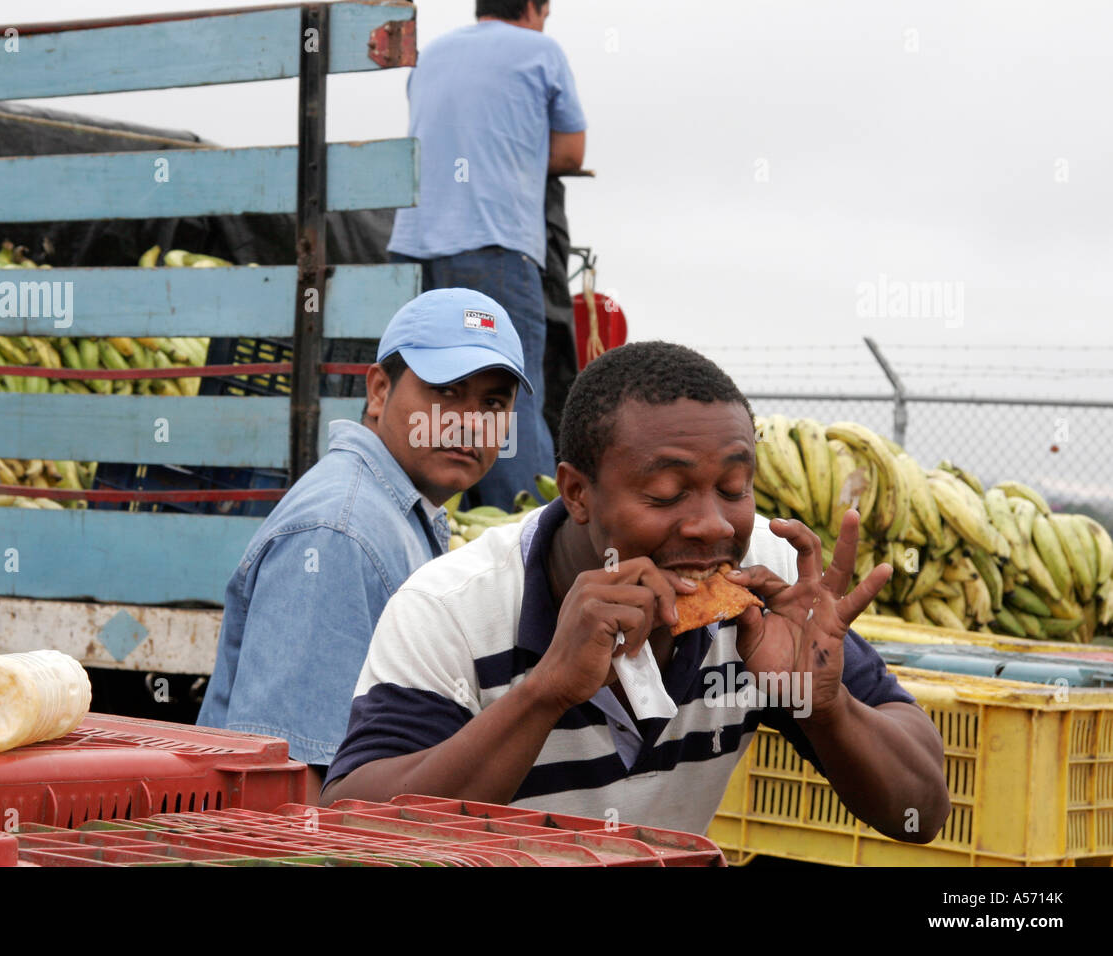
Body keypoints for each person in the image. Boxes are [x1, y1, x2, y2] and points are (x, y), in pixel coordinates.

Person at [321, 342, 951, 841]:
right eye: (667, 494)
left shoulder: (765, 582)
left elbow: (919, 812)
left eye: (733, 489)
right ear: (576, 494)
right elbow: (350, 831)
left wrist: (824, 705)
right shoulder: (456, 606)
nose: (710, 524)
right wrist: (545, 692)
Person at [197, 288, 531, 803]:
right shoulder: (340, 532)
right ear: (379, 391)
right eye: (446, 391)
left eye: (492, 403)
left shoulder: (398, 514)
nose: (468, 421)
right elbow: (293, 784)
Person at [388, 0, 587, 511]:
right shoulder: (541, 49)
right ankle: (527, 532)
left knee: (433, 390)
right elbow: (570, 154)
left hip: (412, 247)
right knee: (508, 396)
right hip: (495, 244)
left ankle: (427, 516)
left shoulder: (431, 53)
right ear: (533, 7)